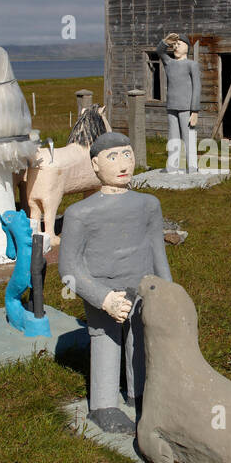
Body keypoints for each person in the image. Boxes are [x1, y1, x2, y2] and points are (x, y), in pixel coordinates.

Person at [58, 132, 171, 434]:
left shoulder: (148, 205)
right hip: (103, 288)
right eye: (113, 157)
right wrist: (104, 298)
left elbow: (156, 250)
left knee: (140, 339)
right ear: (95, 165)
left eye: (127, 155)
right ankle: (104, 405)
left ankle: (140, 395)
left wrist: (167, 291)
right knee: (106, 339)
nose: (123, 164)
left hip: (143, 286)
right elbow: (69, 268)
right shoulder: (79, 213)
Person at [156, 32, 201, 173]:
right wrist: (165, 41)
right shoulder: (169, 63)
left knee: (189, 137)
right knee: (173, 137)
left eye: (179, 44)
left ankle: (192, 165)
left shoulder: (191, 65)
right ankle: (173, 164)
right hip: (171, 107)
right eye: (174, 45)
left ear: (187, 47)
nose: (175, 47)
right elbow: (159, 51)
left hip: (186, 108)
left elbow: (197, 87)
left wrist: (195, 111)